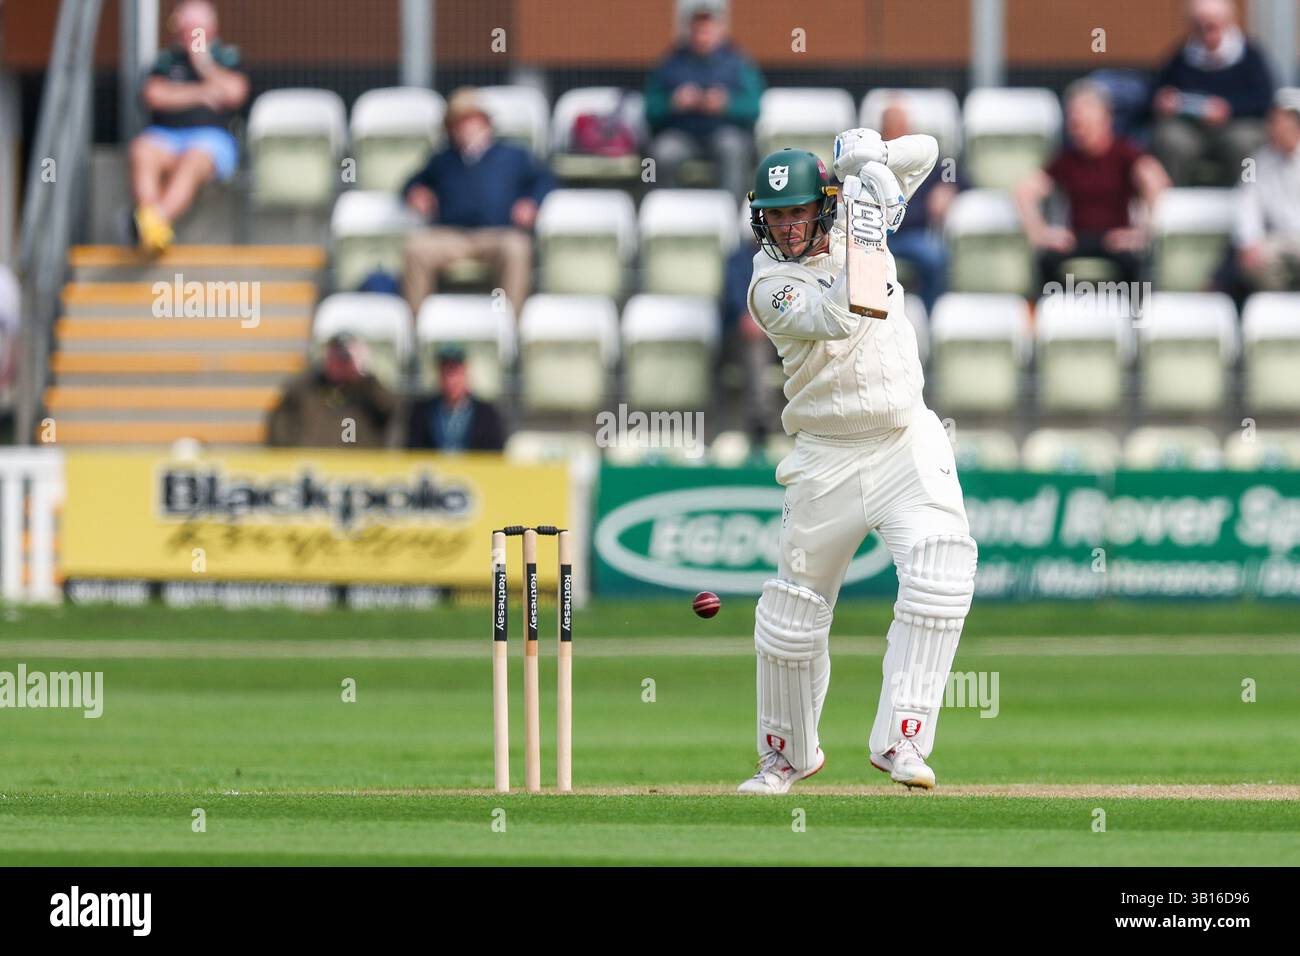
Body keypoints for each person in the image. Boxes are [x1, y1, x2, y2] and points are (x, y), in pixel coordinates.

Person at [735, 135, 977, 795]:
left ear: (823, 206)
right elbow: (852, 309)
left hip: (906, 440)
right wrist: (868, 212)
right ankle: (786, 755)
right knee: (791, 614)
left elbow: (925, 152)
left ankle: (903, 742)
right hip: (826, 455)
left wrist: (869, 158)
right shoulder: (770, 287)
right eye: (775, 215)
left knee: (943, 571)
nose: (786, 226)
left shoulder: (851, 211)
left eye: (798, 212)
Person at [400, 87, 554, 318]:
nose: (466, 127)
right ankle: (417, 329)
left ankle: (508, 328)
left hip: (498, 235)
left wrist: (531, 202)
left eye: (471, 119)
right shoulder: (443, 159)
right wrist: (415, 192)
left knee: (517, 248)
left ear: (485, 122)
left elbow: (545, 180)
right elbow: (411, 182)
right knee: (415, 249)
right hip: (451, 236)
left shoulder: (512, 155)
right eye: (458, 122)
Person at [1015, 80, 1170, 290]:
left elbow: (1157, 182)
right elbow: (1025, 191)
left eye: (1083, 123)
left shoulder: (1124, 153)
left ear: (1105, 120)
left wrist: (1141, 232)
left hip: (1116, 238)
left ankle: (1135, 319)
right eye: (1074, 123)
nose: (1077, 129)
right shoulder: (1067, 159)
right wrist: (1042, 233)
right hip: (1078, 238)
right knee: (1047, 260)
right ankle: (1052, 315)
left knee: (1134, 264)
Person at [128, 0, 248, 255]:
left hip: (211, 141)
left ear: (210, 29)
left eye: (196, 30)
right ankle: (152, 224)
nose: (189, 35)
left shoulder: (227, 57)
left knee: (193, 159)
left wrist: (203, 64)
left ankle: (152, 222)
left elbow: (235, 92)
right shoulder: (166, 60)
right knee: (142, 150)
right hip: (166, 138)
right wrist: (201, 93)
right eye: (185, 28)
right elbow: (154, 95)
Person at [644, 0, 763, 198]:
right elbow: (649, 109)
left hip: (723, 132)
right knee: (663, 152)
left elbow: (754, 106)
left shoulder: (738, 62)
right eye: (697, 29)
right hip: (681, 133)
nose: (702, 35)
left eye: (707, 29)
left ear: (720, 30)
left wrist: (726, 104)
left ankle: (730, 214)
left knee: (733, 149)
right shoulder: (671, 62)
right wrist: (673, 103)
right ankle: (667, 214)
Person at [1150, 0, 1274, 186]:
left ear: (1227, 23)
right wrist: (1164, 101)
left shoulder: (1250, 57)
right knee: (1169, 139)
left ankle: (1247, 202)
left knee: (1243, 142)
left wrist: (1229, 109)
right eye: (1198, 27)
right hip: (1191, 128)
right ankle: (1171, 204)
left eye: (1212, 26)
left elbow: (1264, 99)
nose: (1206, 33)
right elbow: (1156, 92)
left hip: (1236, 125)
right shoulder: (1180, 56)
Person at [878, 100, 960, 312]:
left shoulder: (924, 159)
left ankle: (930, 314)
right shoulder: (869, 156)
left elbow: (953, 172)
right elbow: (836, 181)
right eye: (892, 125)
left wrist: (947, 187)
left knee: (934, 257)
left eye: (902, 125)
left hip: (912, 234)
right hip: (873, 235)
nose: (898, 131)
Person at [266, 333, 397, 448]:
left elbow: (393, 412)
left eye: (346, 357)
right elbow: (279, 428)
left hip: (358, 471)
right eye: (335, 354)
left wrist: (364, 373)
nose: (341, 361)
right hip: (312, 469)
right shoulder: (305, 388)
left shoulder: (368, 390)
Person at [1228, 97, 1300, 295]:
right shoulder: (1253, 161)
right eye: (1271, 122)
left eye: (1278, 122)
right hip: (1275, 240)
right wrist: (1249, 240)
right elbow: (1246, 202)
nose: (1272, 128)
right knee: (1252, 263)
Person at [404, 344, 505, 452]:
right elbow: (413, 451)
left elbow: (494, 454)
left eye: (455, 373)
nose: (451, 381)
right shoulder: (421, 412)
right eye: (446, 373)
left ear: (466, 373)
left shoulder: (487, 414)